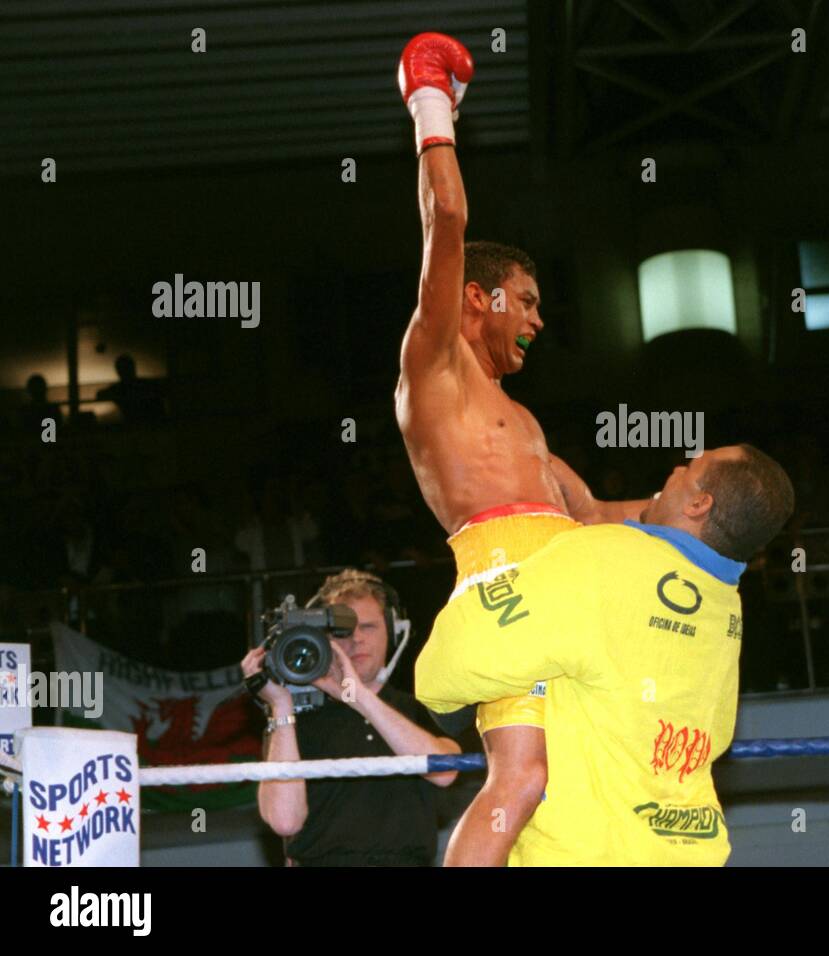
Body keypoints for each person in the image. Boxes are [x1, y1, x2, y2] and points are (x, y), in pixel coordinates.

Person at [393, 31, 648, 866]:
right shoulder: (434, 366)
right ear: (480, 295)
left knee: (590, 774)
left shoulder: (522, 419)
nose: (539, 322)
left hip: (573, 583)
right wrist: (432, 103)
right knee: (522, 777)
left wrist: (709, 515)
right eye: (527, 302)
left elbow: (601, 514)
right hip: (506, 585)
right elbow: (449, 216)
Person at [416, 445, 795, 864]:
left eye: (690, 468)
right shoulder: (724, 604)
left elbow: (451, 661)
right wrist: (592, 509)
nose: (676, 468)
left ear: (699, 503)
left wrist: (496, 558)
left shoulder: (602, 557)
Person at [241, 569, 462, 866]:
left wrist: (358, 697)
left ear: (393, 632)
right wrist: (280, 707)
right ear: (322, 639)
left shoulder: (416, 708)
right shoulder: (294, 720)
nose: (356, 639)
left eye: (368, 627)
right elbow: (284, 821)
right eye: (343, 630)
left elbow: (446, 772)